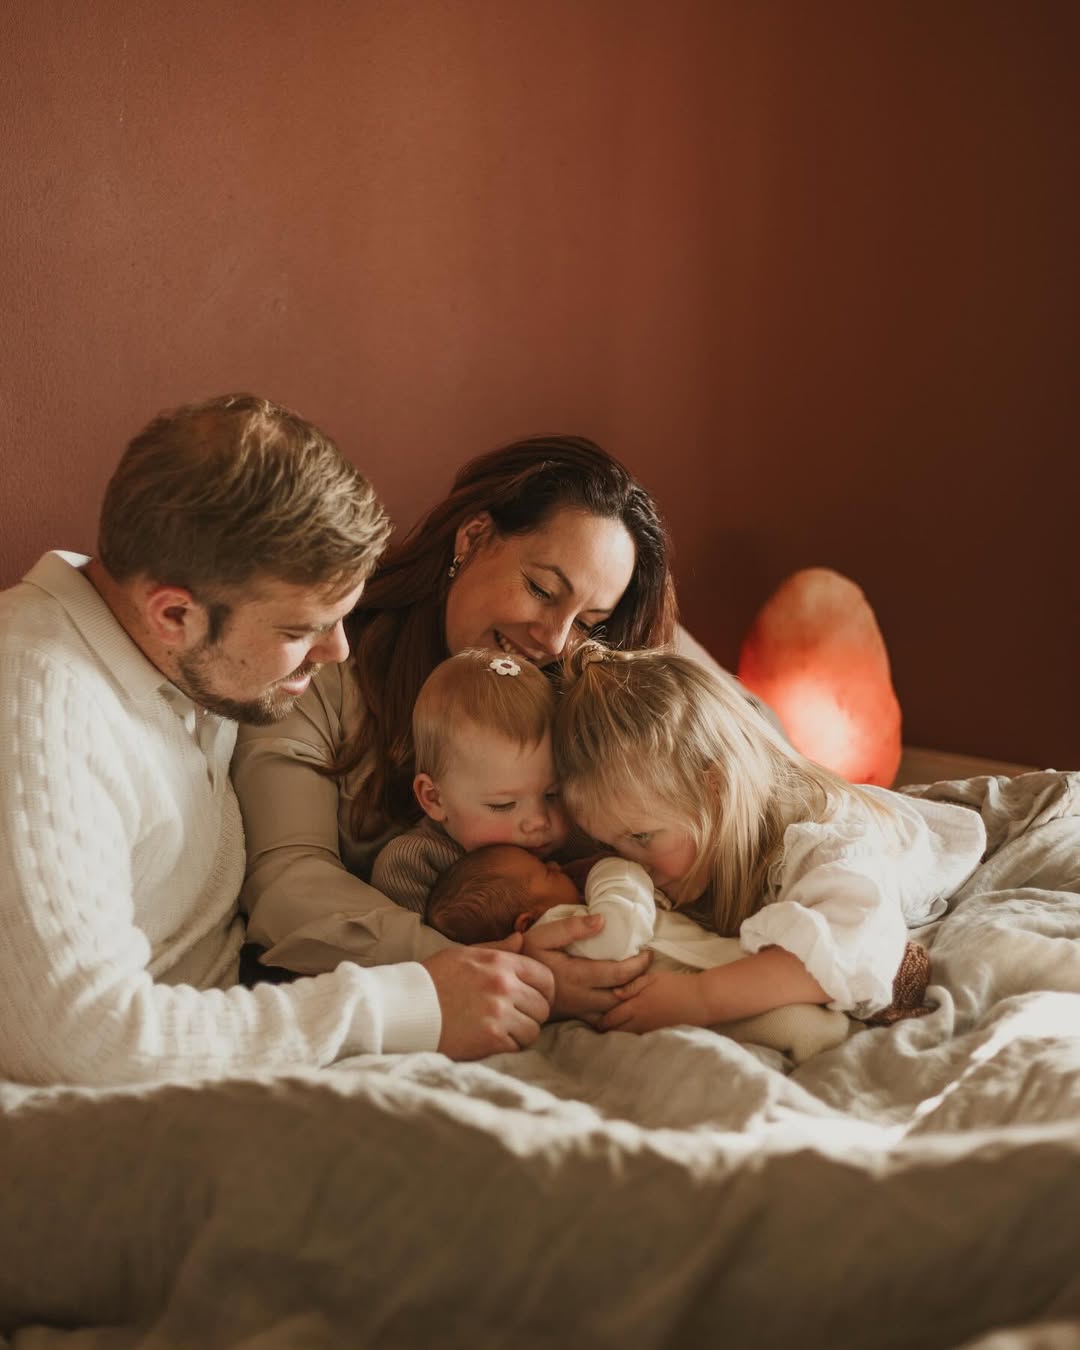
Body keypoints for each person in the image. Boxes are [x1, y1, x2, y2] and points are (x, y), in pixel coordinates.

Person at [0, 394, 554, 1087]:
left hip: (238, 1041)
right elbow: (77, 1037)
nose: (336, 653)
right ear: (174, 613)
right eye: (301, 631)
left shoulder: (178, 653)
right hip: (120, 1099)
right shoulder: (37, 703)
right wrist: (402, 1004)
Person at [233, 434, 703, 1018]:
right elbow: (286, 880)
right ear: (473, 538)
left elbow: (753, 757)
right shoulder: (325, 667)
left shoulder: (597, 678)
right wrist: (501, 971)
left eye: (589, 620)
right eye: (541, 590)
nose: (555, 641)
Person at [552, 642, 988, 1034]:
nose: (631, 862)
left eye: (642, 837)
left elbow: (851, 945)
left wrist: (701, 998)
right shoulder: (679, 843)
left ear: (716, 790)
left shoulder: (821, 843)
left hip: (911, 833)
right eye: (610, 845)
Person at [427, 845, 852, 1063]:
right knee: (797, 1017)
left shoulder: (551, 942)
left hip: (703, 980)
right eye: (545, 873)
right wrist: (614, 869)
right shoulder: (558, 928)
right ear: (525, 922)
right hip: (706, 979)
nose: (558, 868)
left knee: (791, 1005)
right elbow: (620, 932)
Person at [370, 649, 571, 914]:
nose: (539, 821)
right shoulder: (413, 865)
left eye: (553, 795)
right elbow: (414, 949)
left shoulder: (568, 841)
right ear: (434, 798)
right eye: (504, 804)